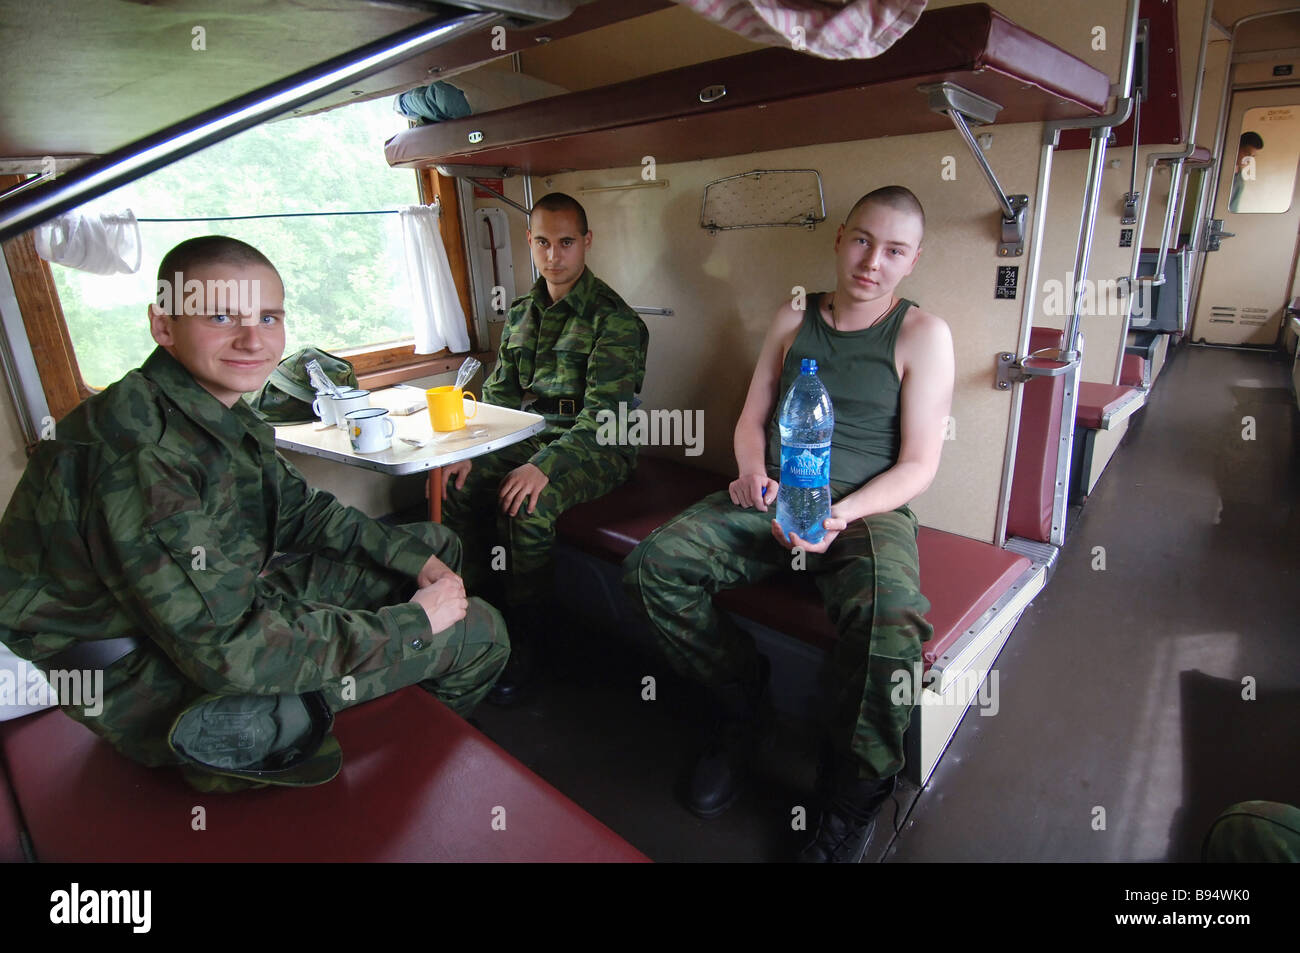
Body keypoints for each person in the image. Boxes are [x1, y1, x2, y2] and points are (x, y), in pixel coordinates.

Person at [0, 236, 509, 791]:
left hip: (205, 617)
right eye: (221, 316)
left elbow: (302, 513)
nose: (252, 339)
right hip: (150, 680)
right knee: (481, 631)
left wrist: (416, 563)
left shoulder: (213, 408)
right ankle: (413, 768)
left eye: (268, 317)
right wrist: (415, 624)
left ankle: (408, 692)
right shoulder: (140, 454)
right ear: (163, 325)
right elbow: (232, 652)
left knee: (438, 548)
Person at [622, 186, 954, 862]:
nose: (872, 262)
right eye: (862, 240)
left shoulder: (924, 334)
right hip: (772, 493)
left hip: (865, 510)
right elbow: (753, 415)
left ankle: (854, 786)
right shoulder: (794, 314)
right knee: (652, 567)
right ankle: (742, 701)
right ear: (839, 238)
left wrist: (841, 514)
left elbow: (919, 464)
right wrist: (749, 471)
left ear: (913, 260)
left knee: (891, 619)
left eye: (893, 250)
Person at [441, 192, 648, 705]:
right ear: (529, 243)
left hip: (599, 444)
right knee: (458, 485)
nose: (553, 255)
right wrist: (471, 446)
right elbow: (499, 396)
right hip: (526, 435)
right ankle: (469, 612)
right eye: (542, 242)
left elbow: (605, 415)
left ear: (587, 243)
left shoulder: (614, 320)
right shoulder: (520, 313)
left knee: (527, 505)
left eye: (566, 242)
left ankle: (529, 636)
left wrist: (542, 466)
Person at [1229, 131, 1263, 213]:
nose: (1249, 159)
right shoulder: (1221, 172)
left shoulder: (1240, 175)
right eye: (1247, 153)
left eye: (1253, 156)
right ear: (1237, 148)